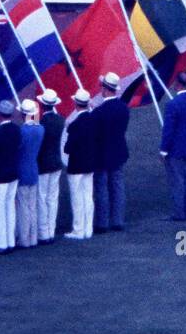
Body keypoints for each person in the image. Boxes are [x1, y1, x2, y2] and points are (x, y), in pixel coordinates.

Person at [92, 72, 130, 232]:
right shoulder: (123, 108)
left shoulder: (99, 112)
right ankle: (117, 220)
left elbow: (95, 135)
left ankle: (102, 223)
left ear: (105, 89)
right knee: (117, 186)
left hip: (101, 154)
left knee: (101, 188)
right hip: (118, 152)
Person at [161, 74, 186, 220]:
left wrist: (163, 150)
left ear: (177, 84)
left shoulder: (172, 104)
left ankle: (179, 213)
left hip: (175, 149)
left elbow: (168, 130)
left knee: (177, 181)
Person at [62, 89, 98, 240]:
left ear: (76, 104)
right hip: (89, 164)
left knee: (77, 199)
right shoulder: (93, 120)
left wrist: (67, 128)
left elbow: (67, 148)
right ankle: (88, 229)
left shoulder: (75, 125)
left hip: (77, 166)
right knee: (88, 197)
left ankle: (78, 229)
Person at [0, 100, 21, 254]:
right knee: (10, 209)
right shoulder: (16, 130)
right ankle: (11, 241)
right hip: (13, 173)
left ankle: (1, 244)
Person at [36, 89, 65, 244]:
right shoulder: (60, 120)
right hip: (56, 162)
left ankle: (44, 233)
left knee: (42, 198)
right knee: (52, 198)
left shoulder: (41, 123)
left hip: (43, 165)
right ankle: (51, 231)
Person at [15, 100, 43, 249]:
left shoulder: (22, 132)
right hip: (33, 170)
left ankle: (25, 239)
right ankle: (33, 238)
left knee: (24, 207)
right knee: (32, 206)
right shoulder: (40, 129)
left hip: (22, 171)